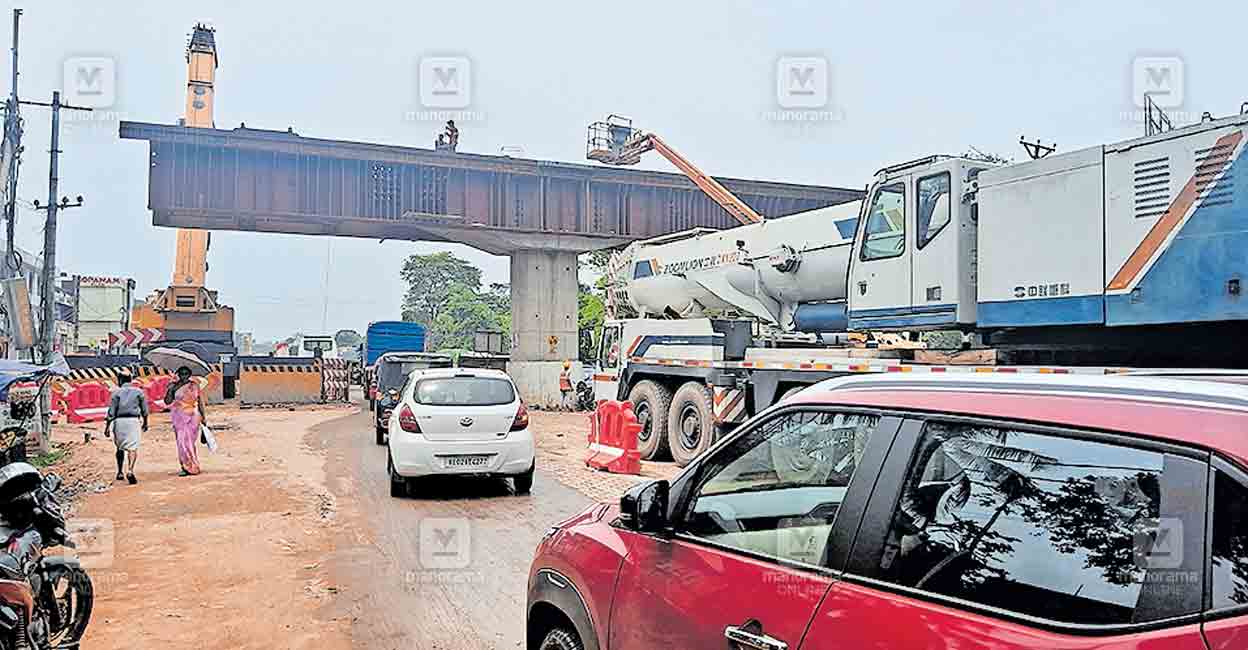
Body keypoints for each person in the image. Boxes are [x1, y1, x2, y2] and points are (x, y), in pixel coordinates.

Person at [103, 370, 149, 484]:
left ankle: (119, 472)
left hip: (119, 422)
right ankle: (130, 470)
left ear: (120, 380)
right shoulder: (139, 392)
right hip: (133, 421)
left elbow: (111, 412)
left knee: (119, 448)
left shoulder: (116, 393)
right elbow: (145, 411)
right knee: (132, 447)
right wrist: (145, 423)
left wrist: (107, 427)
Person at [164, 366, 208, 476]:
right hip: (179, 417)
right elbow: (167, 402)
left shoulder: (194, 386)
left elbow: (200, 402)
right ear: (178, 374)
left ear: (189, 374)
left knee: (190, 443)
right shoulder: (173, 386)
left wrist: (204, 418)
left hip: (193, 416)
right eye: (182, 373)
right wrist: (170, 389)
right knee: (181, 442)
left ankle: (193, 465)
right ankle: (185, 466)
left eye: (186, 373)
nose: (184, 376)